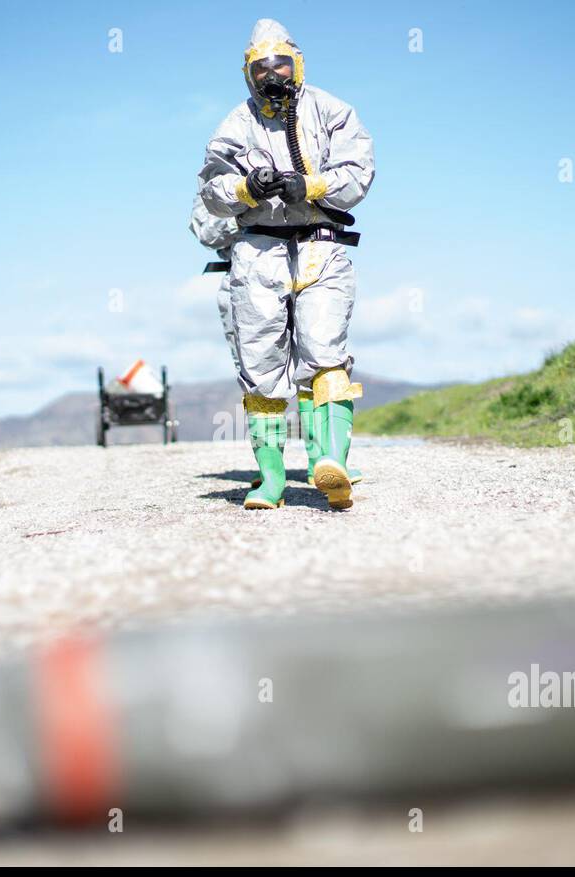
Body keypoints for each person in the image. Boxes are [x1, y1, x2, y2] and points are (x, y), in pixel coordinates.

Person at [197, 18, 374, 510]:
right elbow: (210, 188)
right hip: (258, 252)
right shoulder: (235, 124)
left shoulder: (332, 111)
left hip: (321, 244)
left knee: (324, 351)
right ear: (247, 74)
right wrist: (244, 189)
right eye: (260, 69)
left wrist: (311, 185)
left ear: (297, 64)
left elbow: (360, 172)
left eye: (279, 65)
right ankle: (271, 478)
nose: (271, 75)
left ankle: (331, 462)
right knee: (260, 364)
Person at [188, 196, 362, 491]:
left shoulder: (304, 154)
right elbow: (206, 230)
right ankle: (271, 474)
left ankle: (321, 462)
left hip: (310, 263)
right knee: (258, 372)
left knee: (316, 358)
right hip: (244, 276)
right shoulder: (225, 170)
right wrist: (250, 204)